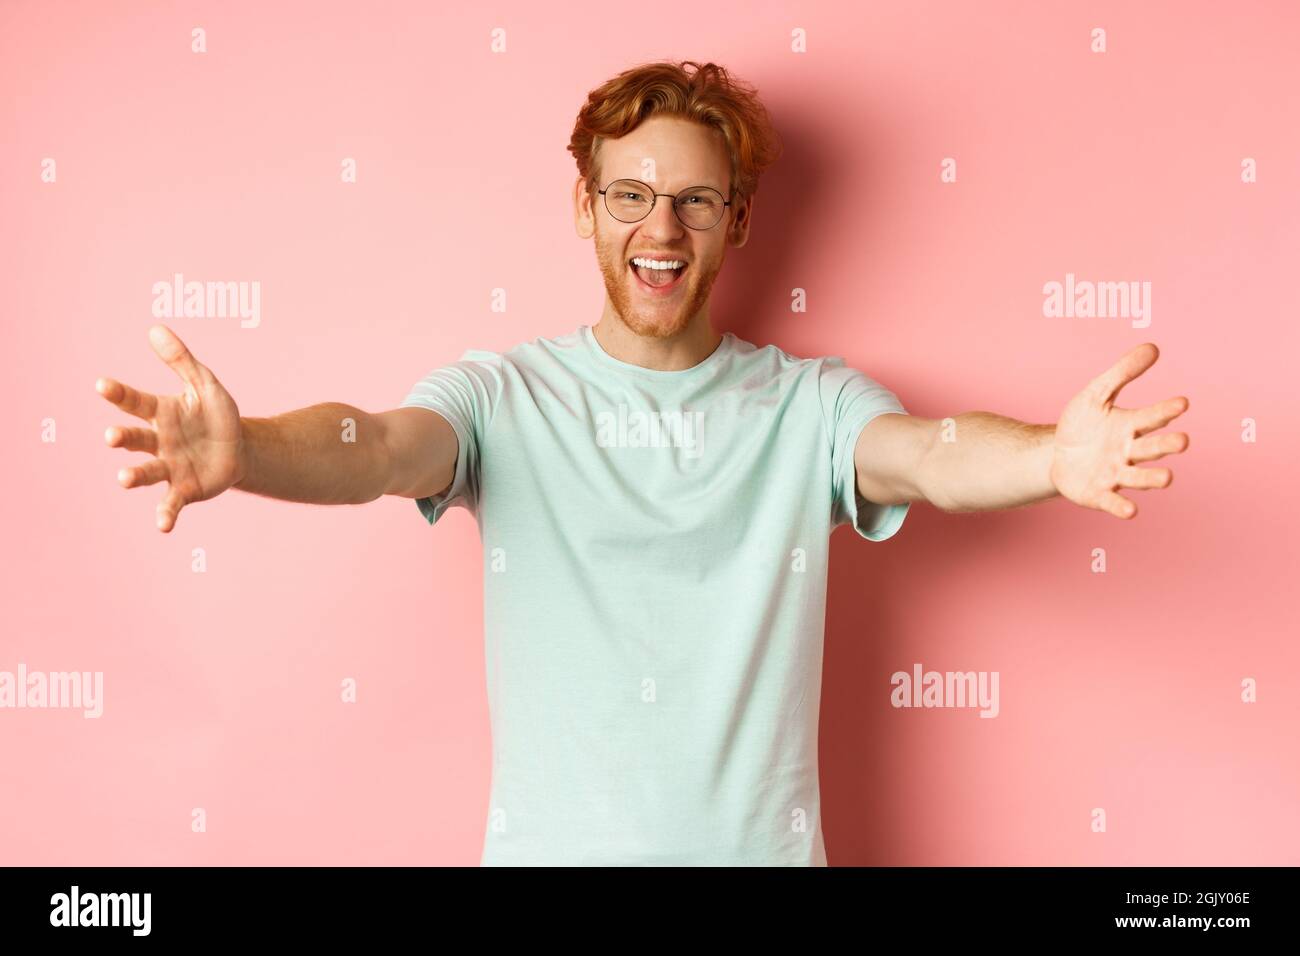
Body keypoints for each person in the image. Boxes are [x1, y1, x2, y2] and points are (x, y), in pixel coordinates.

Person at [96, 60, 1190, 866]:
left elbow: (928, 454)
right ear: (585, 205)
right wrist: (251, 454)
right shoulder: (504, 397)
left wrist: (1054, 453)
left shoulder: (806, 405)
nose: (658, 225)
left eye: (694, 199)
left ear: (736, 224)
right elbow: (375, 445)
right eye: (629, 193)